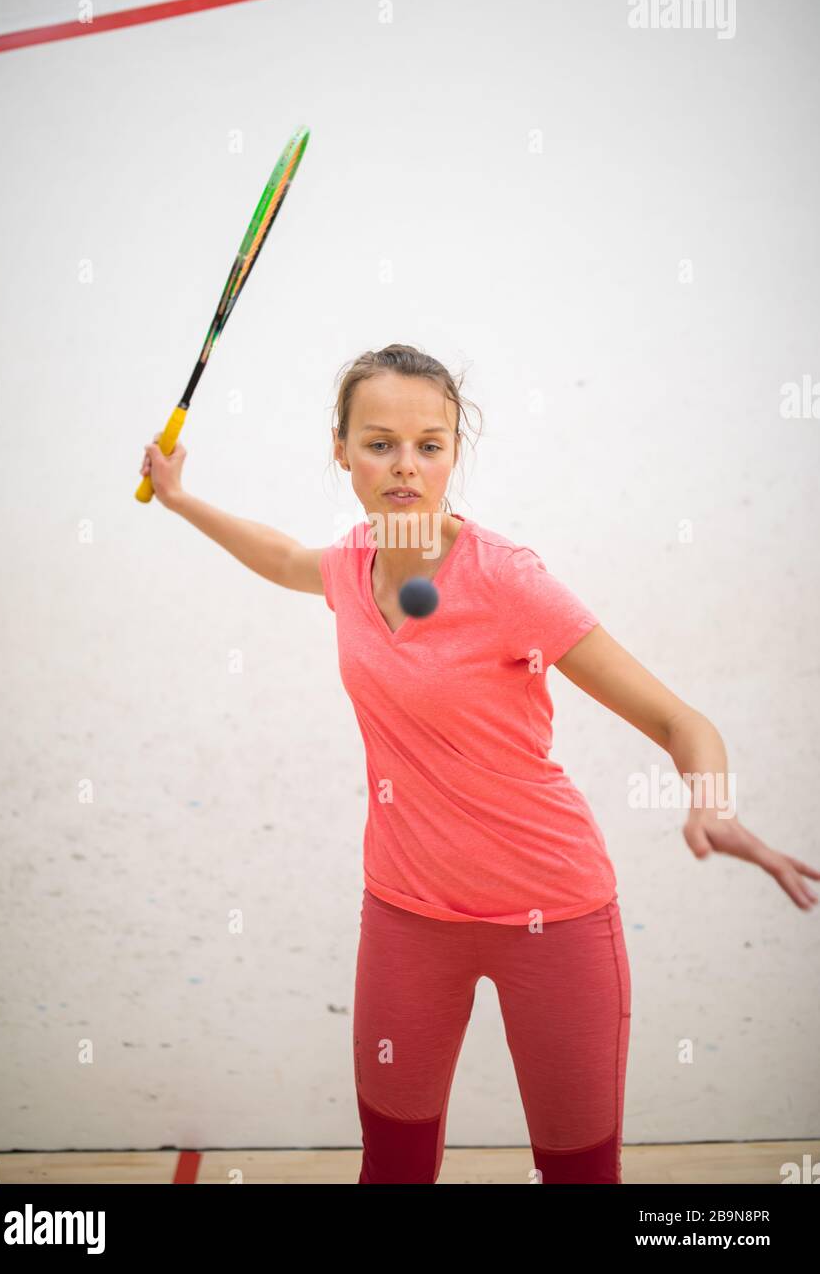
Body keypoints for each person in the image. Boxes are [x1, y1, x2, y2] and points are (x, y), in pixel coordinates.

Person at [140, 343, 819, 1185]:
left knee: (578, 1175)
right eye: (380, 441)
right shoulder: (351, 568)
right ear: (340, 448)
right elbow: (282, 558)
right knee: (391, 1170)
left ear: (455, 452)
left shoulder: (508, 582)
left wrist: (712, 803)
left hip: (555, 914)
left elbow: (680, 719)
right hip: (406, 916)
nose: (405, 465)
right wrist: (178, 500)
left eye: (430, 444)